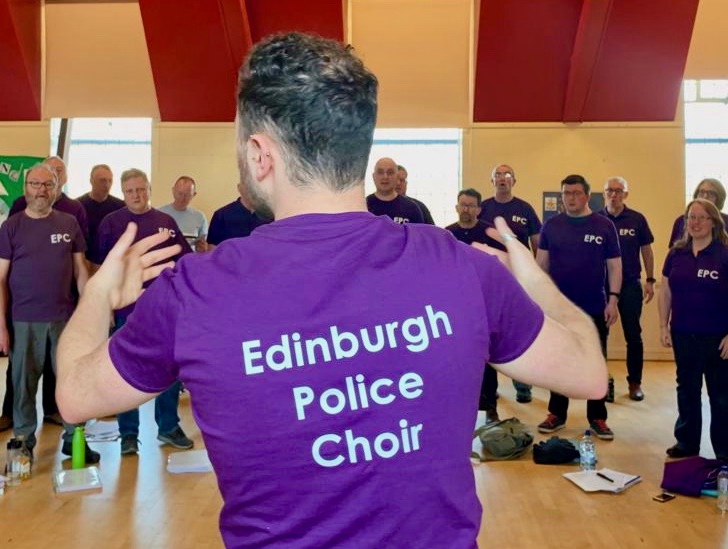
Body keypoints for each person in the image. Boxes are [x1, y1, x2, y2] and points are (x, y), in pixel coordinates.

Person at [56, 33, 607, 548]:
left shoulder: (193, 292)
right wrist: (536, 282)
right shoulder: (463, 268)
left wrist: (99, 294)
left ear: (260, 155)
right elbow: (588, 372)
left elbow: (75, 396)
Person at [0, 163, 96, 464]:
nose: (41, 190)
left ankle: (74, 438)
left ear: (57, 188)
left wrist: (90, 311)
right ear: (25, 188)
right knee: (23, 385)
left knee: (71, 381)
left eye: (47, 184)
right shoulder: (12, 227)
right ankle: (23, 440)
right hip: (23, 320)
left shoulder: (69, 223)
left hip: (65, 319)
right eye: (35, 184)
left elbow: (80, 271)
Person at [94, 169, 193, 455]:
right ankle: (128, 433)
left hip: (162, 309)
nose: (136, 195)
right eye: (130, 191)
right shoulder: (112, 224)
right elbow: (100, 269)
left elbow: (183, 263)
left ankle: (168, 426)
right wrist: (105, 306)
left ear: (149, 189)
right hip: (125, 310)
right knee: (125, 370)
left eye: (141, 189)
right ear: (123, 193)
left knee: (169, 369)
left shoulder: (166, 222)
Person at [536, 174, 621, 440]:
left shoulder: (604, 226)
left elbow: (614, 266)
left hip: (594, 307)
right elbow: (541, 266)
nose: (571, 198)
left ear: (587, 196)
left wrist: (613, 299)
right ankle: (556, 413)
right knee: (558, 360)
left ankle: (597, 417)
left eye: (576, 193)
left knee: (596, 361)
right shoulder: (551, 226)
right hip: (559, 309)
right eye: (566, 193)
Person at [659, 199, 728, 461]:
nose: (695, 223)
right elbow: (666, 291)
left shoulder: (724, 254)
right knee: (687, 389)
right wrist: (663, 325)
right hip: (683, 334)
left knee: (720, 395)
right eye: (691, 217)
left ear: (713, 222)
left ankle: (724, 449)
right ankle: (687, 443)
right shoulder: (676, 254)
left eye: (701, 218)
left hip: (717, 338)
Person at [478, 164, 543, 403]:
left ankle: (523, 386)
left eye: (507, 175)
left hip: (518, 280)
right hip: (489, 280)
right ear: (492, 180)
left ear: (514, 181)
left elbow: (538, 245)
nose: (502, 178)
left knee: (519, 331)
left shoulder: (524, 209)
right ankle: (490, 389)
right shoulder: (483, 208)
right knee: (490, 332)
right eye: (498, 175)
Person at [445, 188, 505, 424]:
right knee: (458, 358)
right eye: (463, 204)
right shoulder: (447, 235)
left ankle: (490, 407)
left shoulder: (490, 234)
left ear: (479, 209)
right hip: (456, 306)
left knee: (487, 358)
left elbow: (501, 270)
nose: (466, 209)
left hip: (485, 304)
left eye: (471, 205)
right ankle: (459, 410)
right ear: (456, 207)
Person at [599, 176, 655, 401]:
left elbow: (647, 251)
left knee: (633, 335)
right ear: (604, 193)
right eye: (610, 190)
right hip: (602, 287)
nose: (614, 194)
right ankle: (601, 382)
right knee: (600, 334)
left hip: (630, 285)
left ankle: (635, 383)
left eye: (618, 190)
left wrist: (650, 279)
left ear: (626, 194)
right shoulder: (596, 219)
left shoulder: (637, 219)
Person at [77, 164, 124, 263]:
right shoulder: (78, 206)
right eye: (102, 180)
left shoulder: (121, 206)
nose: (107, 185)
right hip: (85, 260)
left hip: (112, 260)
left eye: (110, 181)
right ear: (91, 181)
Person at [206, 182, 270, 249]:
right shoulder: (221, 215)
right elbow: (212, 248)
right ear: (240, 188)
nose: (253, 190)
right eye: (249, 185)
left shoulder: (269, 216)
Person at [667, 178, 728, 247]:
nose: (705, 196)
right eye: (701, 192)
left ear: (720, 198)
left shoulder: (726, 220)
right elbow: (673, 248)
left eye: (711, 193)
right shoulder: (681, 220)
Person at [366, 157, 424, 223]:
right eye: (380, 172)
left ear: (396, 177)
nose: (385, 177)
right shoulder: (363, 207)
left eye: (390, 172)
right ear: (373, 177)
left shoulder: (412, 208)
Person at [158, 175, 209, 251]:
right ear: (173, 191)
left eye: (187, 195)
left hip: (189, 257)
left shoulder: (200, 217)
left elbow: (202, 246)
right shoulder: (158, 214)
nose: (182, 198)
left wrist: (202, 248)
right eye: (180, 193)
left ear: (194, 194)